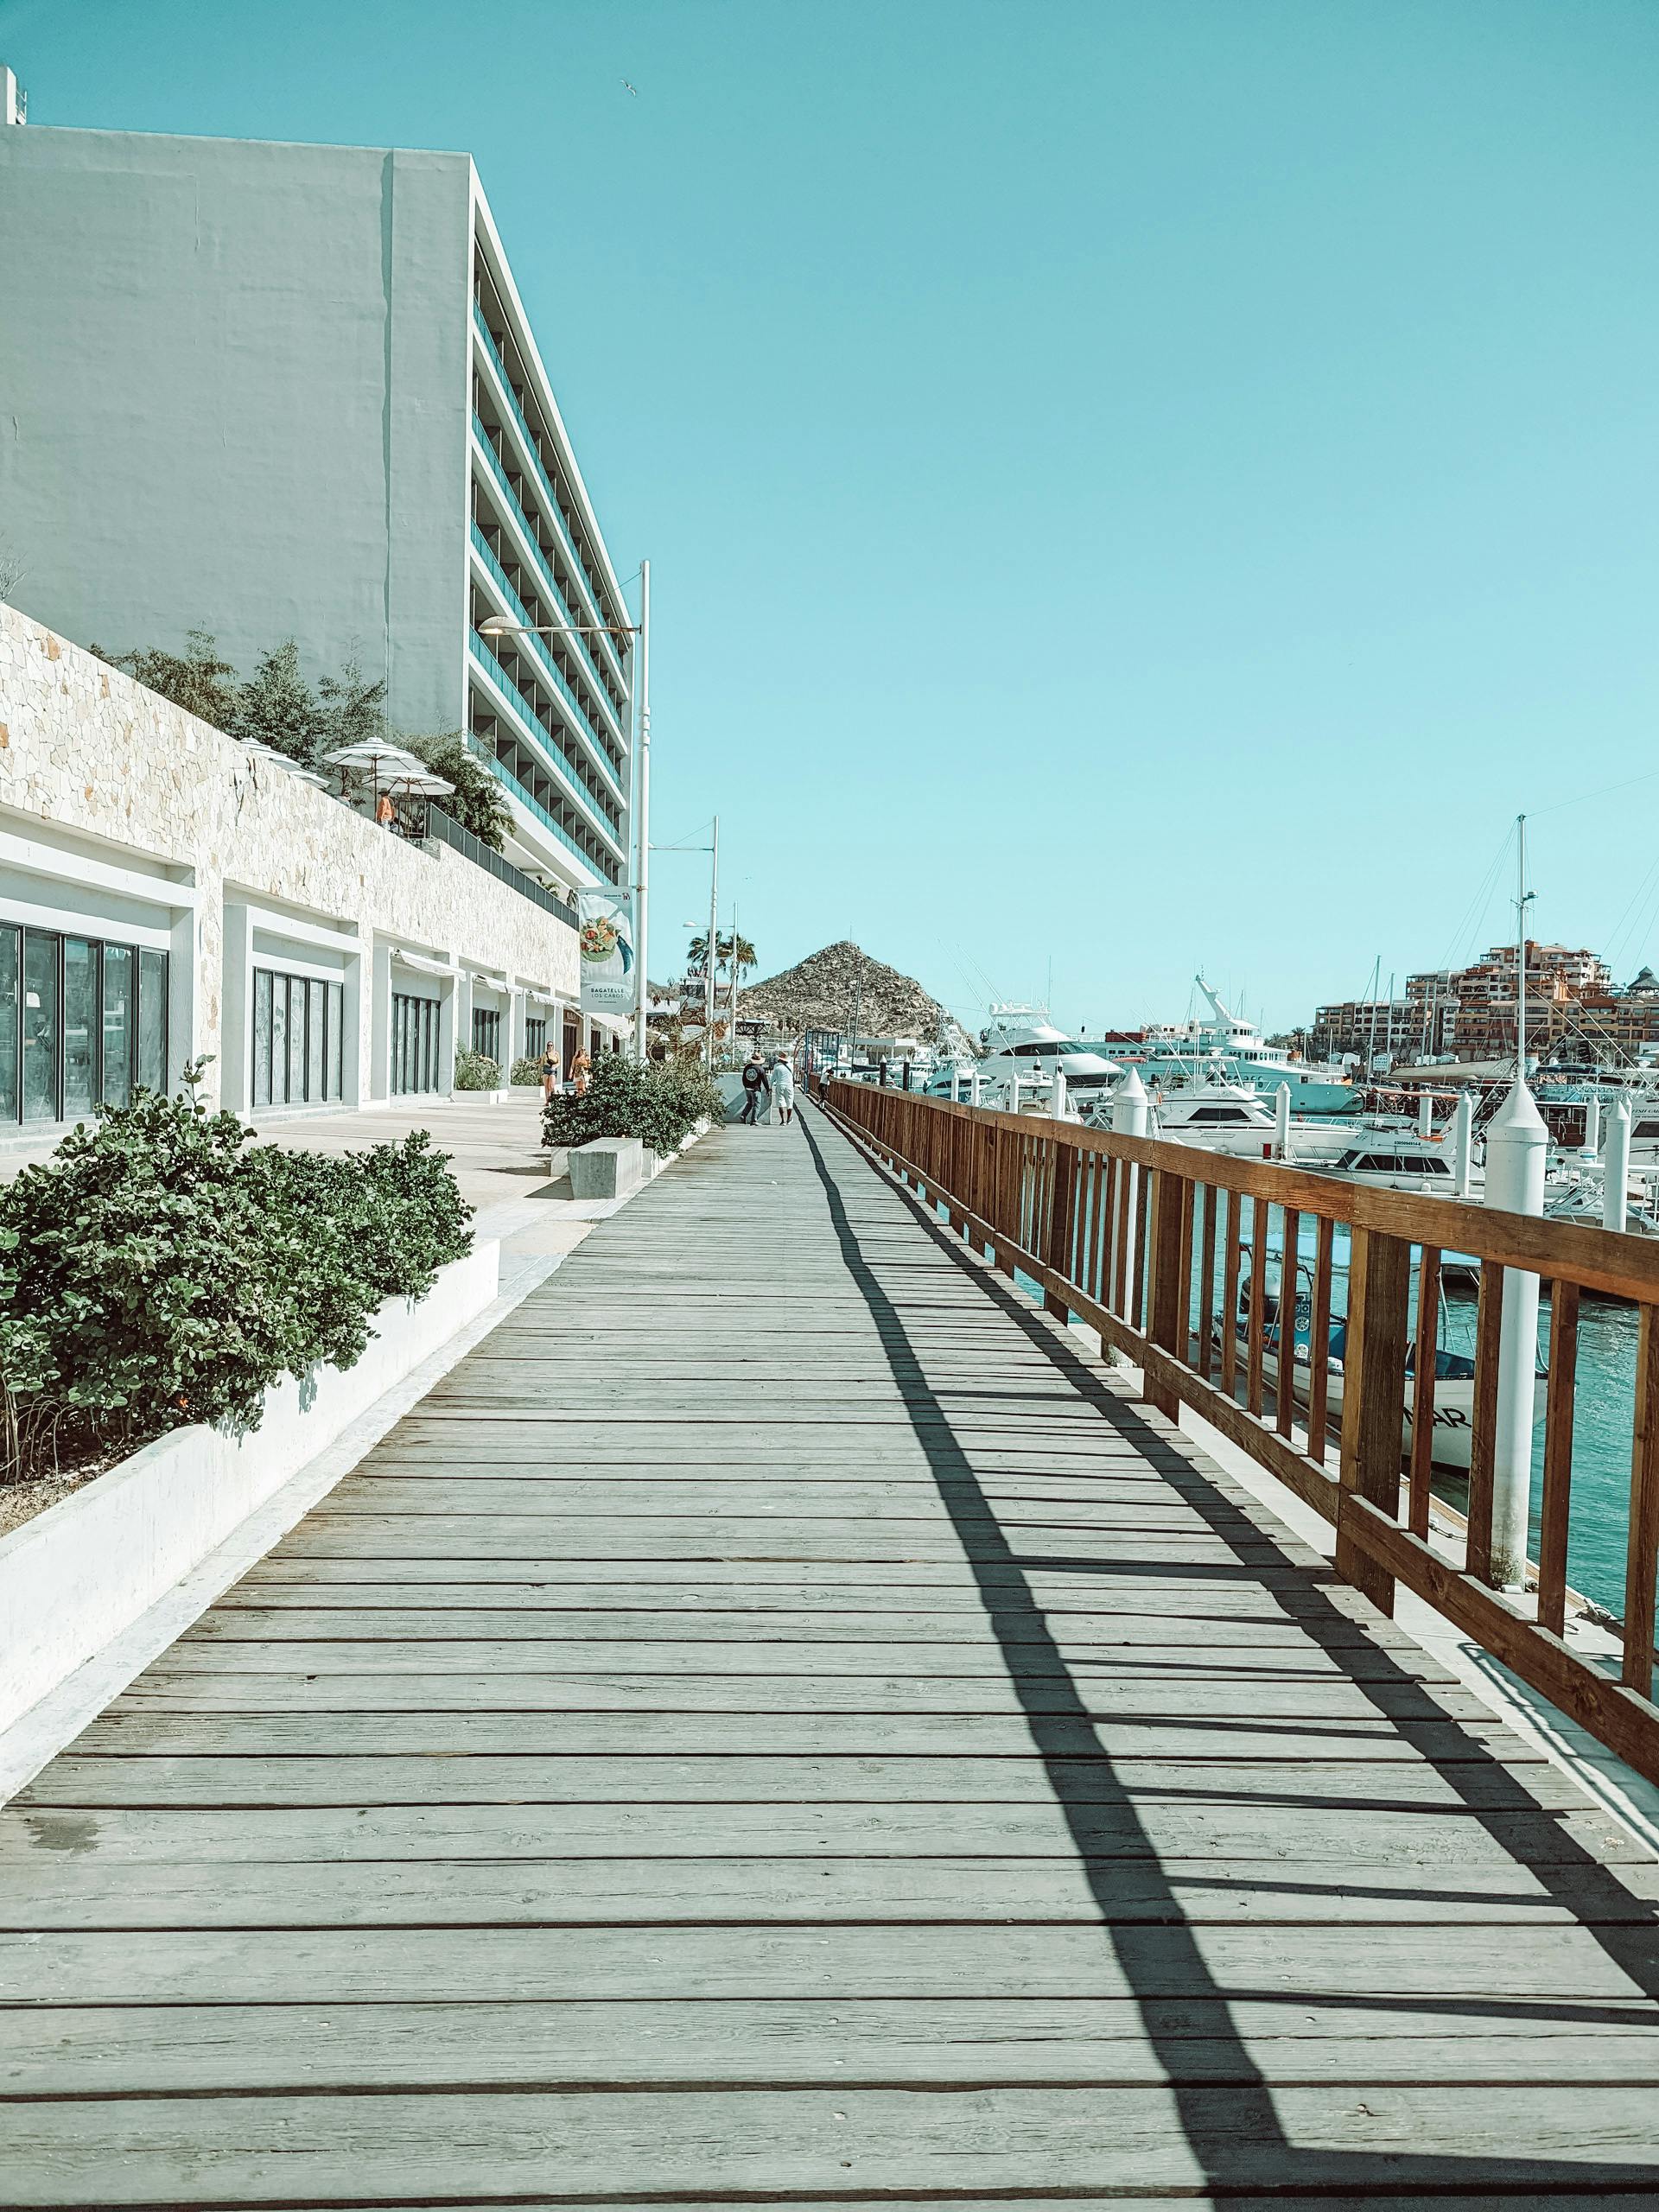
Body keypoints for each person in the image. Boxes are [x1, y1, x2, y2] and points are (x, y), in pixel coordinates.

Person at [767, 1050, 797, 1127]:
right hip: (789, 1086)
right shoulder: (791, 1065)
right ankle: (789, 1119)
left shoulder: (777, 1066)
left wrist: (770, 1087)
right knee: (789, 1103)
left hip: (780, 1085)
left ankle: (783, 1121)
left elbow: (773, 1078)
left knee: (781, 1103)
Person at [739, 1052, 768, 1124]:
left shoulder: (747, 1067)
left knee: (749, 1102)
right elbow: (765, 1080)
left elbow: (743, 1078)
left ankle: (743, 1115)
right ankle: (754, 1120)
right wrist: (768, 1089)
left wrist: (745, 1086)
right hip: (755, 1089)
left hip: (747, 1089)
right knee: (757, 1104)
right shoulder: (760, 1069)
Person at [539, 1038, 563, 1103]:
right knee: (546, 1086)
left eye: (551, 1045)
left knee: (551, 1086)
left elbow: (559, 1062)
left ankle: (552, 1100)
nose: (550, 1046)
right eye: (549, 1045)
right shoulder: (545, 1054)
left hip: (553, 1070)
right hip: (546, 1069)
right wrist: (540, 1070)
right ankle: (547, 1101)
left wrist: (555, 1066)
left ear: (553, 1046)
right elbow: (542, 1063)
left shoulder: (556, 1053)